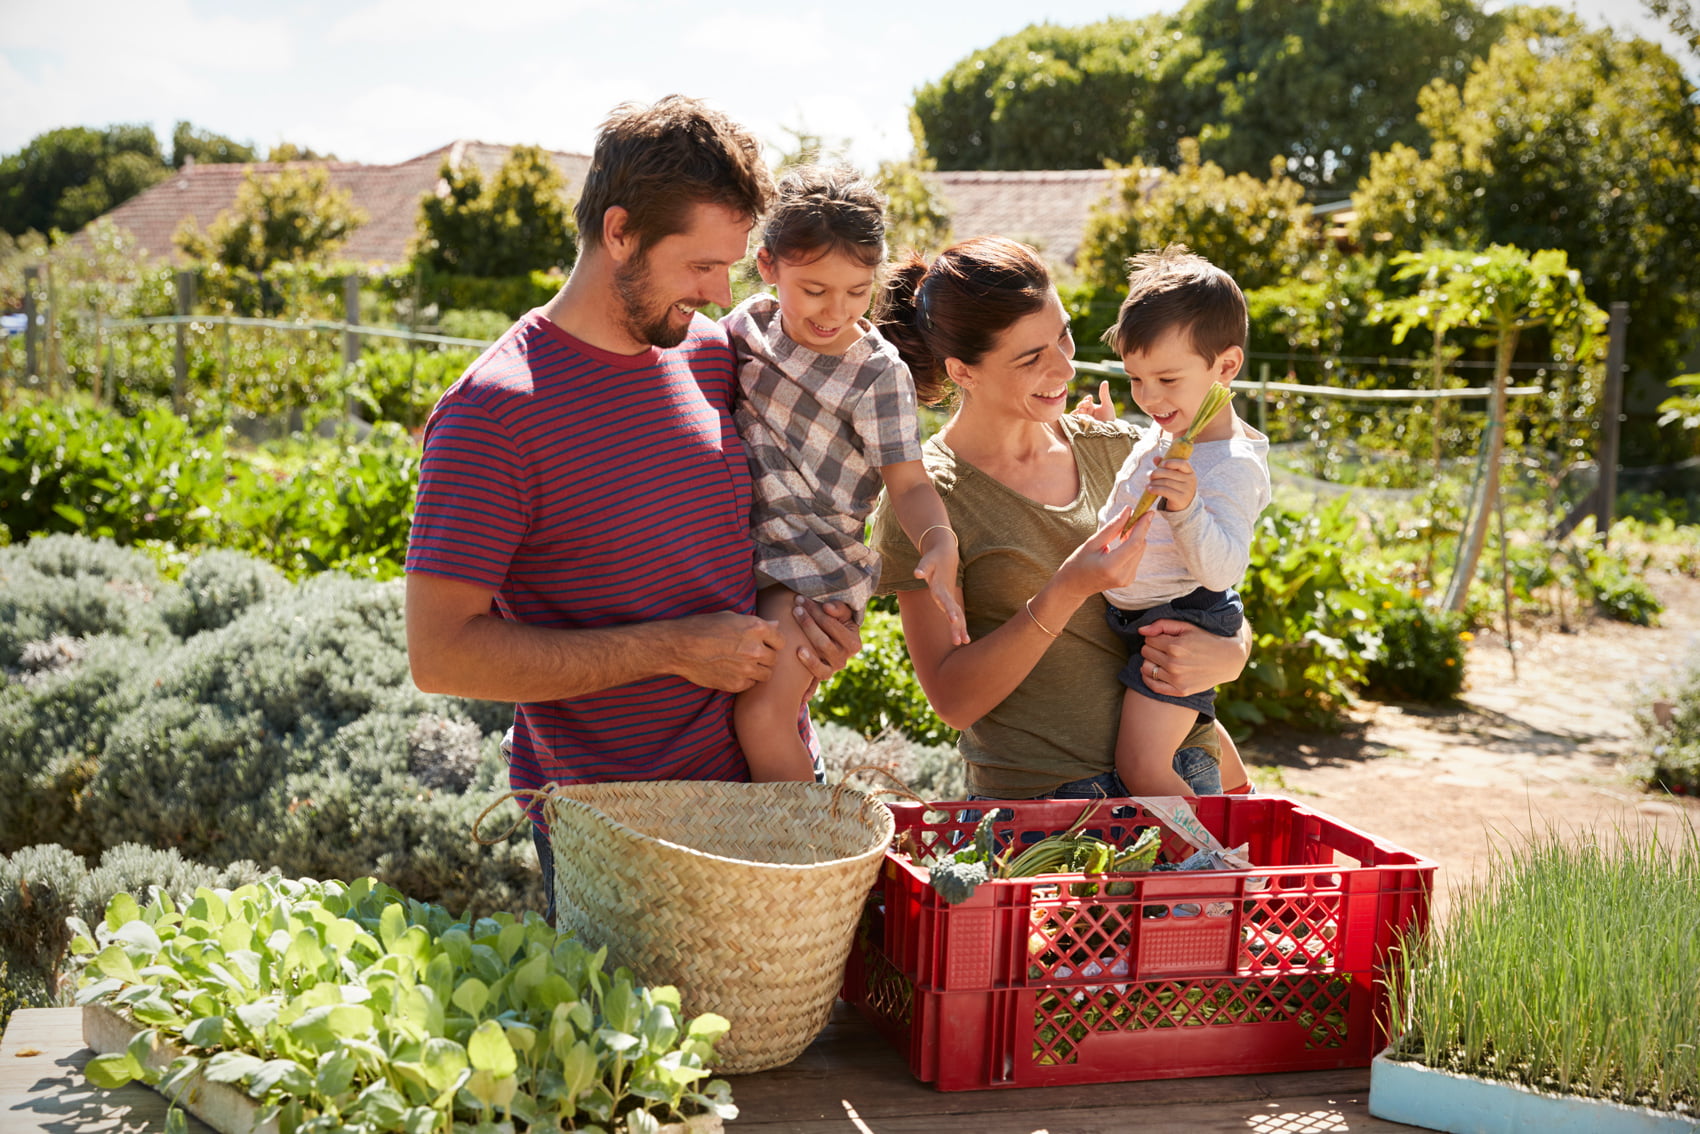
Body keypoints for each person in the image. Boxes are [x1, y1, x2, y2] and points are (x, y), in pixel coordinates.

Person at [403, 96, 860, 908]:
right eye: (700, 266)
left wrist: (803, 618)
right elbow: (441, 656)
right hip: (621, 836)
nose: (721, 292)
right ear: (619, 233)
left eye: (730, 264)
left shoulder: (709, 354)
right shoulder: (495, 412)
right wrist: (673, 648)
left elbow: (776, 514)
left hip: (772, 791)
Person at [868, 236, 1252, 800]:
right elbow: (952, 700)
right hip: (1044, 806)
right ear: (963, 372)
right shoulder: (926, 501)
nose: (1064, 365)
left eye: (1063, 334)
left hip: (1181, 771)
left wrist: (1233, 651)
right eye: (1031, 358)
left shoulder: (1119, 448)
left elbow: (1212, 582)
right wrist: (1067, 589)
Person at [723, 165, 968, 782]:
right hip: (735, 551)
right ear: (768, 265)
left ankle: (801, 860)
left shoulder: (877, 375)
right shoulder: (745, 329)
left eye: (857, 291)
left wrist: (938, 540)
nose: (835, 310)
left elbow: (908, 483)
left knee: (761, 718)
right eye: (814, 290)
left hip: (811, 568)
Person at [1096, 246, 1271, 796]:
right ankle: (1244, 813)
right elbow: (1142, 462)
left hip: (1185, 620)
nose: (1148, 398)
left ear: (1225, 367)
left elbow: (1222, 570)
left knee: (1141, 764)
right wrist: (1109, 429)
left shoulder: (1232, 466)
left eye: (1166, 380)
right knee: (1198, 730)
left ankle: (1211, 864)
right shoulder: (1176, 428)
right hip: (1146, 620)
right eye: (1135, 380)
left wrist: (1188, 508)